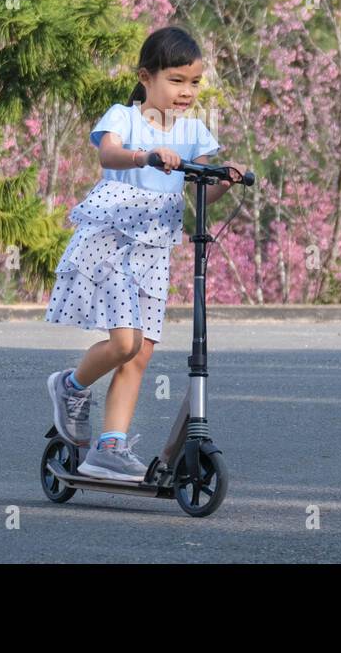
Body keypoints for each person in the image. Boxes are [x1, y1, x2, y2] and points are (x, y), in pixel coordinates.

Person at [44, 26, 247, 482]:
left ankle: (109, 447)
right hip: (113, 238)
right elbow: (109, 155)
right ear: (146, 76)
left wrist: (224, 179)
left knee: (140, 355)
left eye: (194, 82)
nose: (186, 91)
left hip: (156, 246)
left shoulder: (194, 131)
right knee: (123, 342)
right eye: (176, 80)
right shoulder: (125, 117)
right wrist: (146, 156)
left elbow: (200, 194)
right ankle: (71, 386)